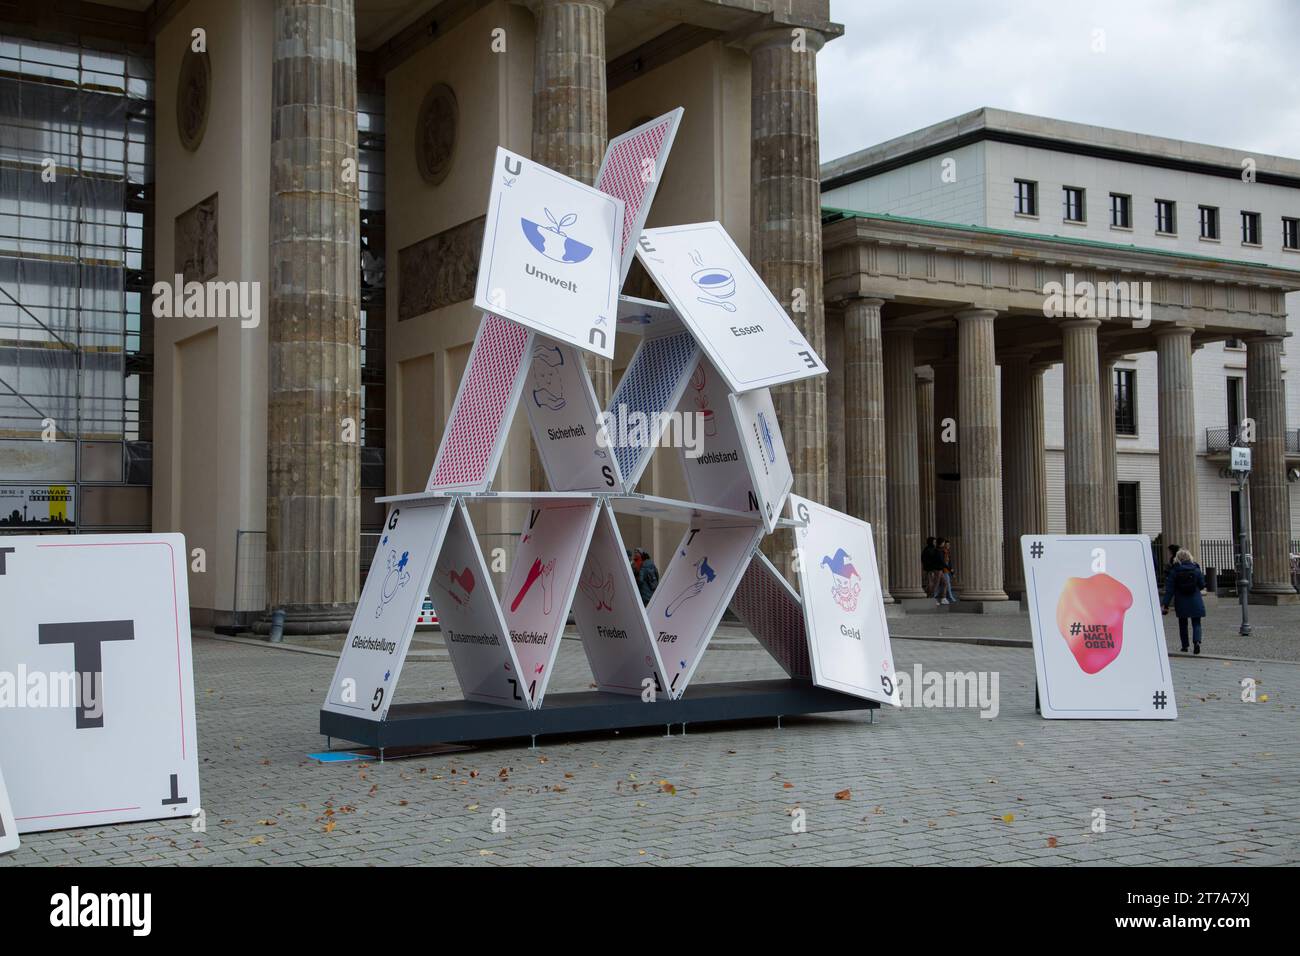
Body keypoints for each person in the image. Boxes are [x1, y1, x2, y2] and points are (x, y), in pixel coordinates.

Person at [1162, 548, 1206, 654]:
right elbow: (1202, 585)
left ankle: (1185, 646)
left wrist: (1165, 604)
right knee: (1196, 623)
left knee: (1183, 624)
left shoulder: (1174, 571)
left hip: (1181, 600)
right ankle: (1197, 642)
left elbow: (1170, 590)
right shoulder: (1196, 569)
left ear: (1177, 558)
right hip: (1195, 600)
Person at [935, 538, 958, 605]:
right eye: (946, 544)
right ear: (943, 544)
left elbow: (949, 562)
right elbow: (943, 562)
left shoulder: (947, 551)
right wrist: (950, 569)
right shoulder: (941, 551)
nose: (948, 546)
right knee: (944, 584)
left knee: (944, 584)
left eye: (949, 545)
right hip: (942, 570)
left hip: (944, 570)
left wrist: (951, 571)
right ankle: (947, 597)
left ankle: (943, 598)